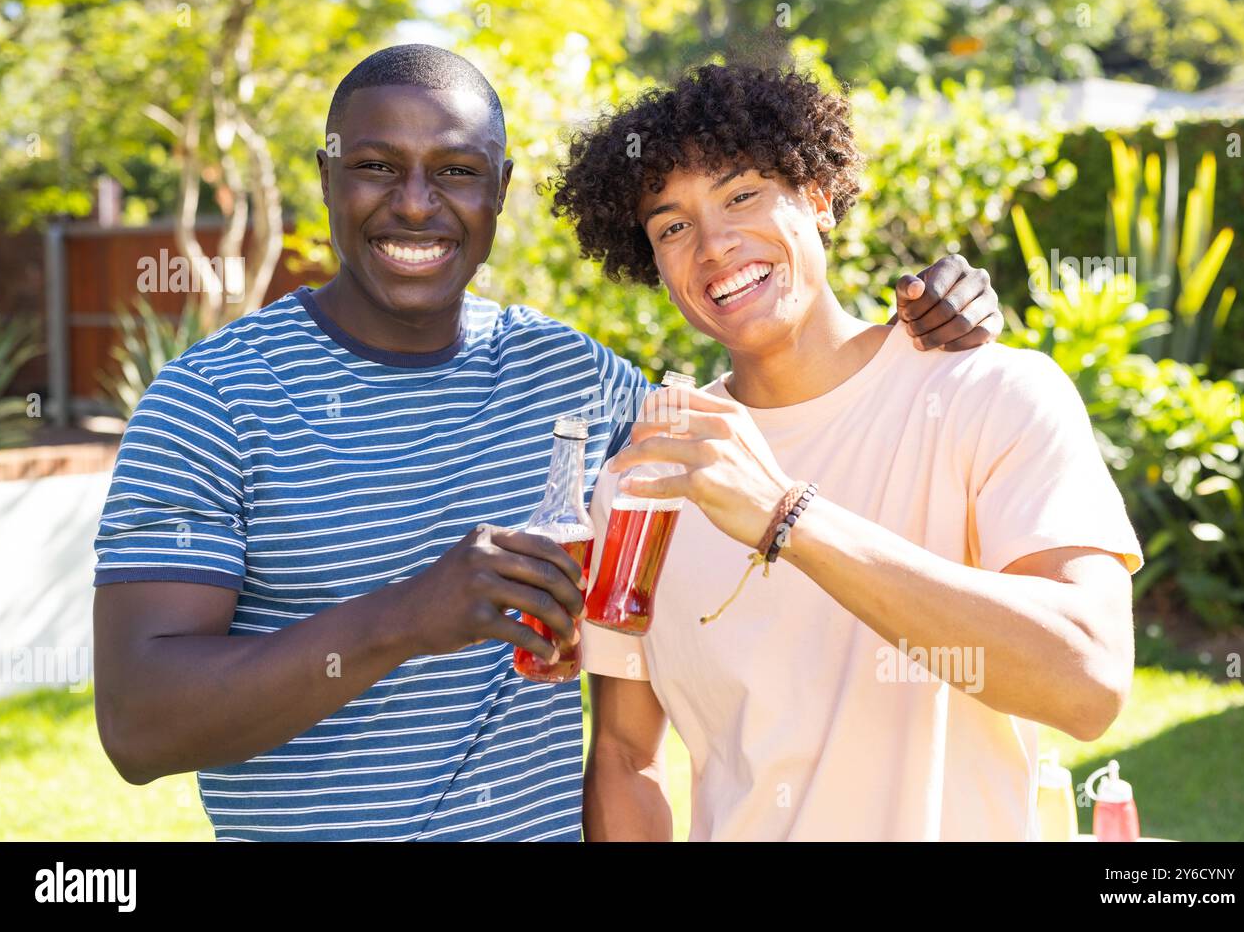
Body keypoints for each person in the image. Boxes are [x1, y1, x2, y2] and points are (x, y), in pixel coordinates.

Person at [91, 45, 1005, 841]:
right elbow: (138, 724)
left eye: (454, 170)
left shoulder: (576, 381)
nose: (415, 205)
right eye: (377, 165)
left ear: (497, 189)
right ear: (328, 177)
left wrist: (926, 329)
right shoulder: (209, 402)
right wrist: (409, 615)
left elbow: (775, 415)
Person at [553, 63, 1143, 841]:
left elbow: (1087, 682)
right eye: (672, 226)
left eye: (741, 195)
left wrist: (785, 515)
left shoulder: (992, 393)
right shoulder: (648, 476)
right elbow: (628, 754)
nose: (716, 245)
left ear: (819, 197)